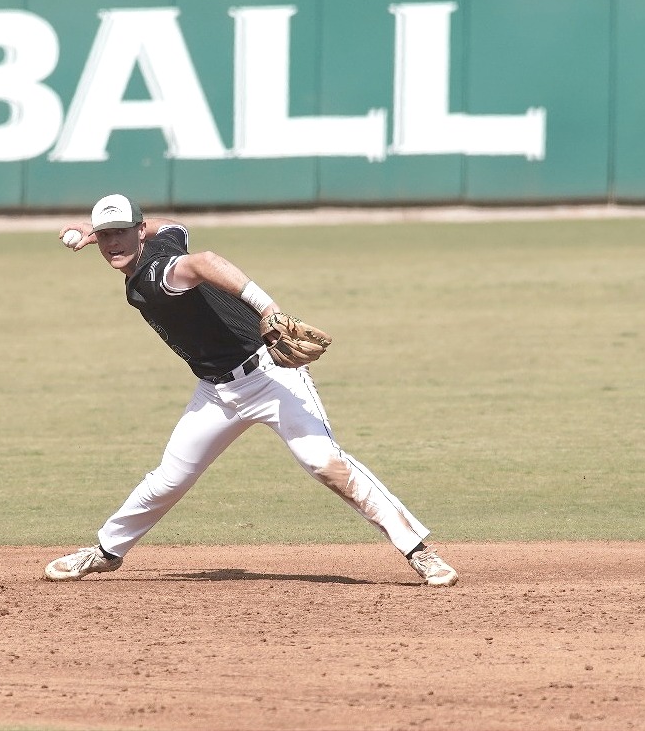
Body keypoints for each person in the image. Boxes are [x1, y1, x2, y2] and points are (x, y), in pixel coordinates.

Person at [42, 193, 458, 587]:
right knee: (169, 479)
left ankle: (419, 550)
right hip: (215, 392)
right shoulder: (160, 241)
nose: (114, 243)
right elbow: (173, 226)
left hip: (270, 377)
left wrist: (268, 309)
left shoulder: (157, 275)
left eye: (122, 232)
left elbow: (204, 262)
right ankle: (107, 551)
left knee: (325, 463)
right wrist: (93, 226)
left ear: (139, 230)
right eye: (106, 234)